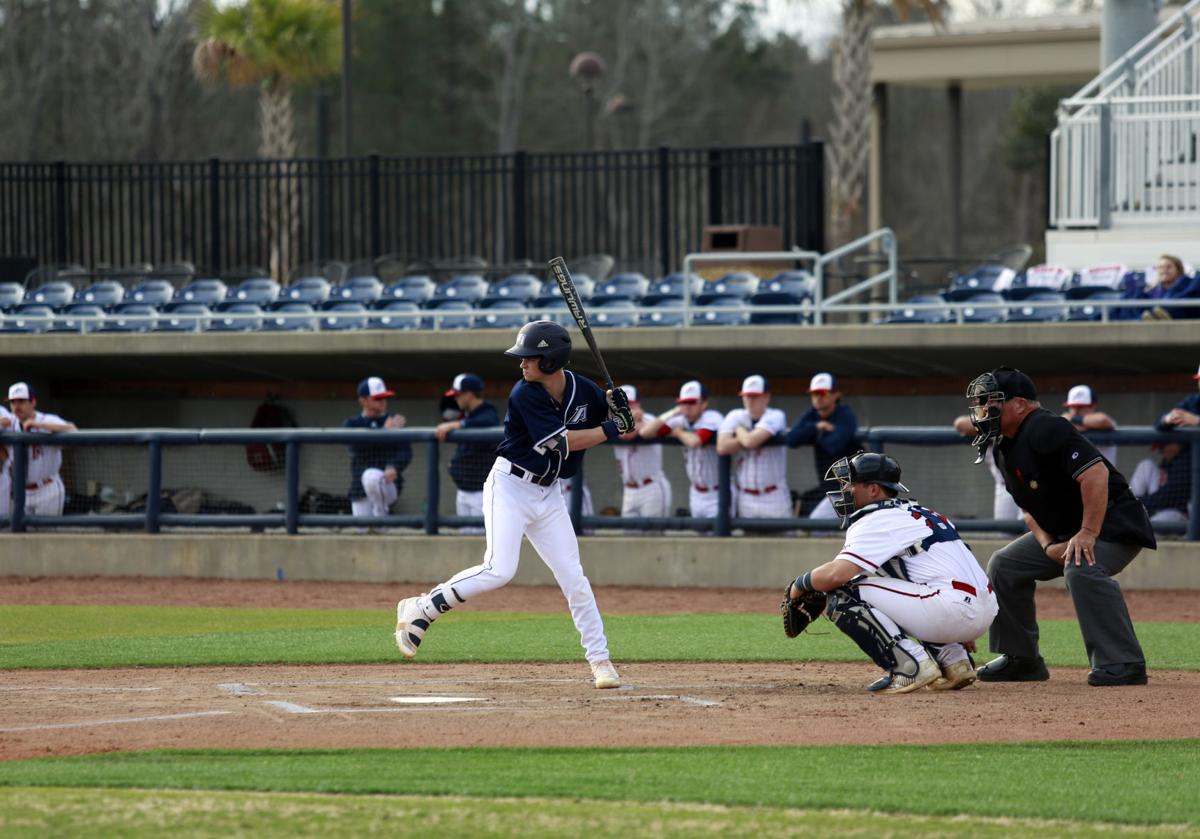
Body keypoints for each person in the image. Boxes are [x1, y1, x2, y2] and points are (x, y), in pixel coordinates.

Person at [394, 320, 635, 689]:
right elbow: (562, 443)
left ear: (551, 361)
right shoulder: (524, 394)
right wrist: (613, 427)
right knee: (500, 569)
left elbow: (609, 415)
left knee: (574, 578)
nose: (522, 363)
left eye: (530, 357)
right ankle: (423, 607)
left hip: (549, 493)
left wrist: (615, 404)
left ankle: (600, 661)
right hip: (510, 486)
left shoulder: (583, 389)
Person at [966, 367, 1156, 687]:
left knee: (1081, 567)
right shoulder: (1002, 448)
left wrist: (1088, 533)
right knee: (1005, 564)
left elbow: (1096, 474)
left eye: (991, 401)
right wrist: (1047, 545)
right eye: (981, 403)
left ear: (1020, 404)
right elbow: (1027, 509)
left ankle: (1123, 662)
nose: (983, 409)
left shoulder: (1045, 426)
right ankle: (1022, 660)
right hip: (1065, 532)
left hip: (1113, 524)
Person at [785, 451, 997, 694]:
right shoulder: (922, 512)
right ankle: (954, 662)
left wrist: (799, 585)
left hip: (952, 608)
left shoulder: (876, 518)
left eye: (850, 483)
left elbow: (837, 574)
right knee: (908, 589)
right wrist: (962, 622)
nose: (845, 490)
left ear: (873, 489)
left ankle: (911, 667)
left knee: (843, 593)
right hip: (983, 607)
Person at [639, 380, 724, 519]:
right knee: (699, 531)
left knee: (720, 530)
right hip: (695, 492)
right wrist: (673, 412)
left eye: (692, 402)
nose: (687, 407)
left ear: (704, 404)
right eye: (683, 403)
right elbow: (645, 432)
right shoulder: (679, 419)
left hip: (718, 491)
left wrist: (678, 433)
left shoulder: (712, 417)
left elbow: (694, 442)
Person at [785, 372, 859, 519]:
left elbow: (834, 446)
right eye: (814, 394)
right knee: (822, 525)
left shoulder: (845, 414)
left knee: (818, 523)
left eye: (823, 393)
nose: (818, 397)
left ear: (836, 394)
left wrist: (816, 435)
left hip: (855, 487)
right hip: (832, 489)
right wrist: (817, 427)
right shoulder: (812, 415)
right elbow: (791, 439)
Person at [717, 374, 791, 518]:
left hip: (773, 496)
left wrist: (739, 430)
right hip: (745, 497)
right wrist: (747, 437)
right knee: (747, 533)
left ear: (766, 397)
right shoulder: (735, 415)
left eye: (755, 397)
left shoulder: (775, 415)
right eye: (747, 396)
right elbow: (722, 447)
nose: (750, 401)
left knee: (782, 533)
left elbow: (750, 442)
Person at [434, 373, 499, 531]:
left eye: (458, 394)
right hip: (463, 489)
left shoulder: (487, 411)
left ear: (469, 394)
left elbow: (488, 421)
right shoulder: (468, 415)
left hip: (480, 492)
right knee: (464, 537)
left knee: (482, 539)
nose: (456, 398)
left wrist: (457, 424)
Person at [6, 382, 78, 516]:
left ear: (33, 402)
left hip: (47, 488)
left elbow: (72, 430)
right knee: (19, 528)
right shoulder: (9, 422)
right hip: (21, 490)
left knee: (45, 529)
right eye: (13, 402)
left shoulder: (46, 419)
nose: (16, 406)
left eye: (21, 401)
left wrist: (39, 425)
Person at [344, 376, 412, 518]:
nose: (383, 401)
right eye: (378, 398)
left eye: (385, 397)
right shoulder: (352, 423)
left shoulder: (393, 421)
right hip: (360, 488)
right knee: (363, 530)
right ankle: (380, 519)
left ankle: (381, 513)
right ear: (363, 401)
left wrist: (394, 466)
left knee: (373, 477)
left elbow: (406, 451)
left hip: (387, 484)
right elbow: (357, 447)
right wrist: (383, 432)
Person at [611, 384, 671, 521]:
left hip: (652, 487)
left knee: (653, 533)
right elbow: (625, 434)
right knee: (628, 532)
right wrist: (633, 423)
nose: (625, 408)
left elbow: (665, 429)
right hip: (628, 489)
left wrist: (638, 425)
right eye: (621, 404)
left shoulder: (649, 419)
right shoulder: (612, 422)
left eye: (629, 404)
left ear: (638, 404)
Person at [953, 414, 1023, 522]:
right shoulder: (991, 420)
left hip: (1027, 483)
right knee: (1004, 529)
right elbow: (961, 424)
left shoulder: (1021, 414)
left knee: (1030, 527)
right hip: (1004, 485)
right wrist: (994, 424)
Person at [1128, 442, 1191, 523]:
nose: (1161, 453)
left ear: (1174, 444)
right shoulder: (1170, 460)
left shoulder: (1188, 460)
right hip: (1161, 508)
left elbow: (1166, 497)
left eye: (1162, 448)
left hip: (1180, 513)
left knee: (1156, 522)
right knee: (1146, 465)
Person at [1061, 384, 1118, 466]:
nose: (1075, 411)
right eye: (1072, 407)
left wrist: (1073, 419)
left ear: (1093, 406)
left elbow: (1101, 420)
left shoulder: (1104, 423)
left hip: (1104, 473)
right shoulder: (1066, 422)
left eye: (1080, 407)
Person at [1140, 255, 1200, 321]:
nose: (1164, 270)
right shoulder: (1151, 291)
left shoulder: (1188, 284)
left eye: (1168, 267)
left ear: (1178, 270)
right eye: (1160, 267)